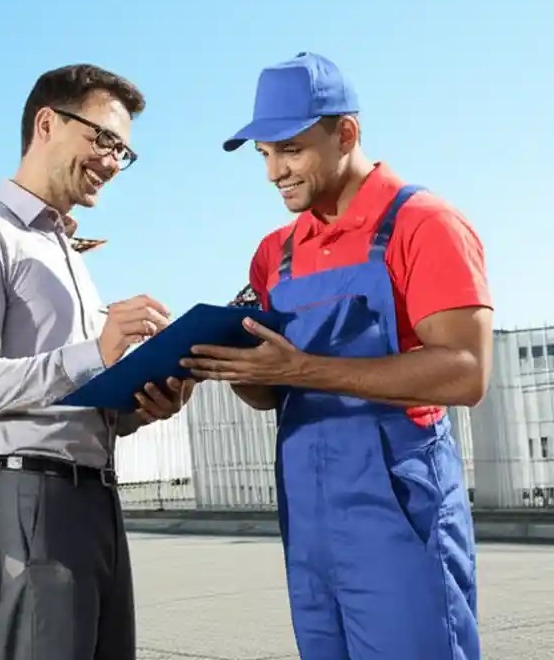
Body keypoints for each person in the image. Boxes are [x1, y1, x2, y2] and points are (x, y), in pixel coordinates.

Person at [183, 51, 490, 660]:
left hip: (399, 510)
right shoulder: (274, 254)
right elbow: (271, 392)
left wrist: (301, 369)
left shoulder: (424, 225)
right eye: (263, 154)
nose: (274, 172)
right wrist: (229, 365)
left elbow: (466, 372)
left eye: (290, 150)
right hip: (307, 513)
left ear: (346, 133)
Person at [0, 63, 196, 660]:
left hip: (94, 498)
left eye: (123, 152)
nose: (113, 161)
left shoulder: (66, 252)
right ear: (47, 123)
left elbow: (70, 396)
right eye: (104, 139)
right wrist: (96, 352)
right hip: (33, 496)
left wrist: (142, 403)